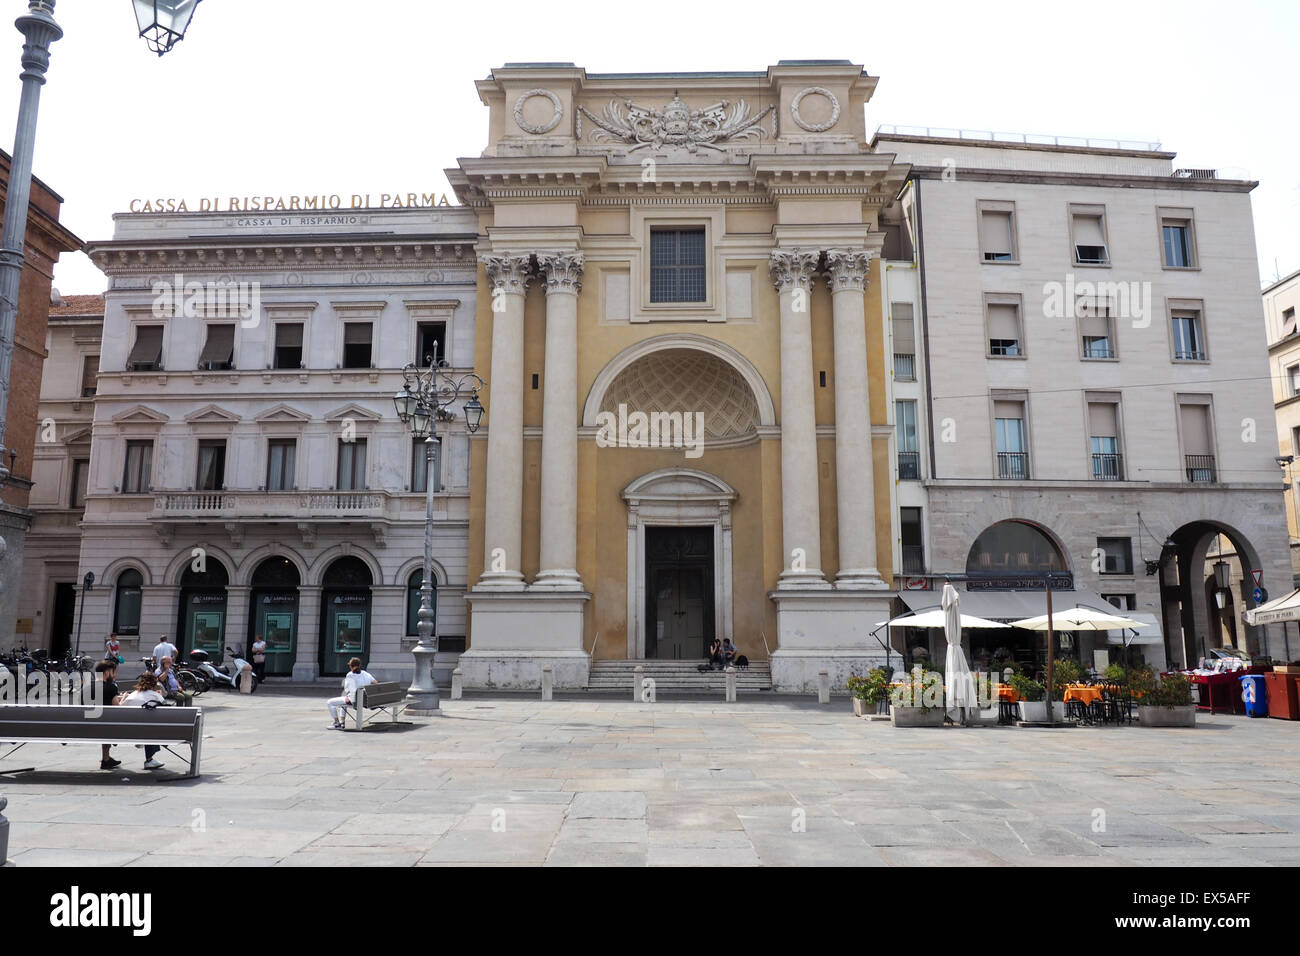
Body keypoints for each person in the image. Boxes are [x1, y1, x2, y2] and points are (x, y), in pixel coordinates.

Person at [120, 672, 168, 769]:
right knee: (151, 726)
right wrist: (160, 696)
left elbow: (120, 709)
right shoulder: (155, 695)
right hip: (147, 731)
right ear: (154, 684)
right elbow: (166, 710)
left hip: (128, 731)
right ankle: (149, 759)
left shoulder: (132, 695)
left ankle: (140, 740)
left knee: (146, 726)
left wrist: (124, 697)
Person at [327, 657, 376, 729]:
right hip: (366, 701)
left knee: (330, 702)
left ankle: (337, 723)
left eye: (350, 665)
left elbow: (347, 689)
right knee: (343, 702)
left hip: (354, 701)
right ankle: (342, 722)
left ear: (351, 666)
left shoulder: (350, 675)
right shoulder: (366, 674)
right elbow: (375, 683)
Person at [95, 660, 123, 770]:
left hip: (87, 728)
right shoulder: (111, 687)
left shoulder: (86, 686)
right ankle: (106, 759)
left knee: (104, 723)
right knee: (108, 724)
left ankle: (106, 759)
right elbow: (117, 708)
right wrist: (124, 698)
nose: (115, 675)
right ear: (107, 673)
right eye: (113, 672)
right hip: (106, 727)